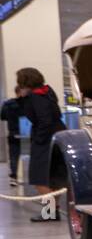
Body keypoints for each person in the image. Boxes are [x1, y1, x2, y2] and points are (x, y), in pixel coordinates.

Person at [13, 68, 65, 221]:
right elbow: (56, 115)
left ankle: (50, 212)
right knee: (54, 176)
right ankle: (52, 211)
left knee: (38, 177)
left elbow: (44, 120)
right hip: (58, 134)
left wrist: (38, 140)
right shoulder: (47, 91)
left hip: (46, 139)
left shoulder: (35, 97)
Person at [1, 85, 22, 186]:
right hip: (28, 134)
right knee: (33, 156)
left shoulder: (8, 104)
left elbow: (3, 116)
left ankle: (14, 177)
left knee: (14, 156)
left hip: (13, 133)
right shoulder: (29, 103)